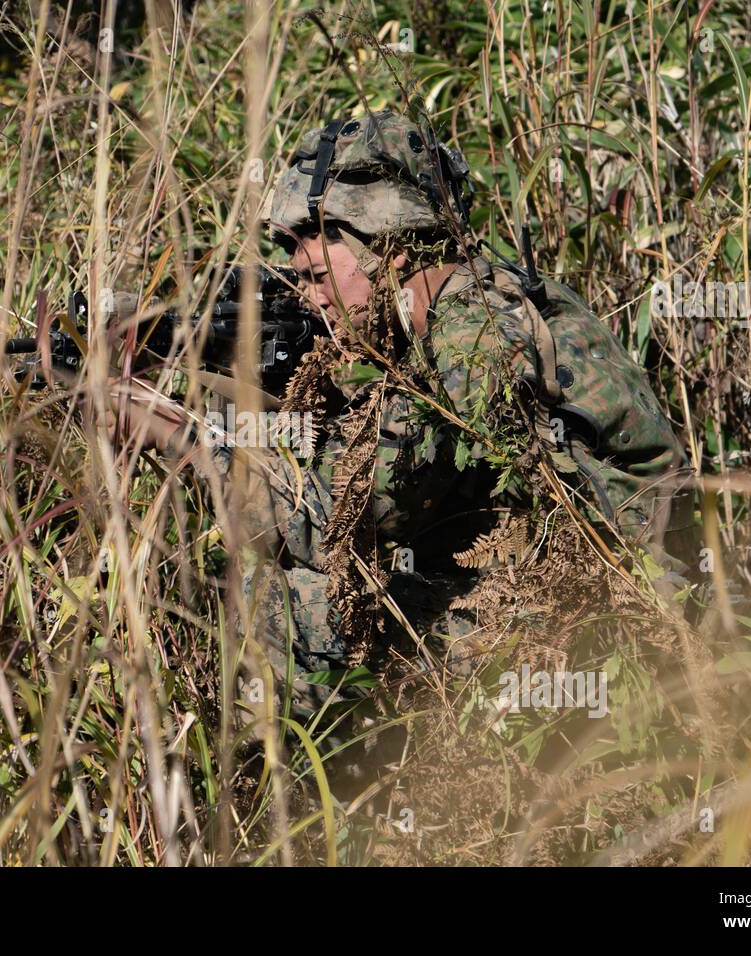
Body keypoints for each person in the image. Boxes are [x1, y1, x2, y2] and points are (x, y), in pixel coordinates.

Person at [224, 108, 690, 751]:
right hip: (578, 593)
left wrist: (191, 439)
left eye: (316, 274)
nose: (309, 297)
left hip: (606, 629)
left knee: (278, 599)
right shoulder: (470, 302)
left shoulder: (470, 342)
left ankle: (284, 813)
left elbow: (336, 525)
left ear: (389, 247)